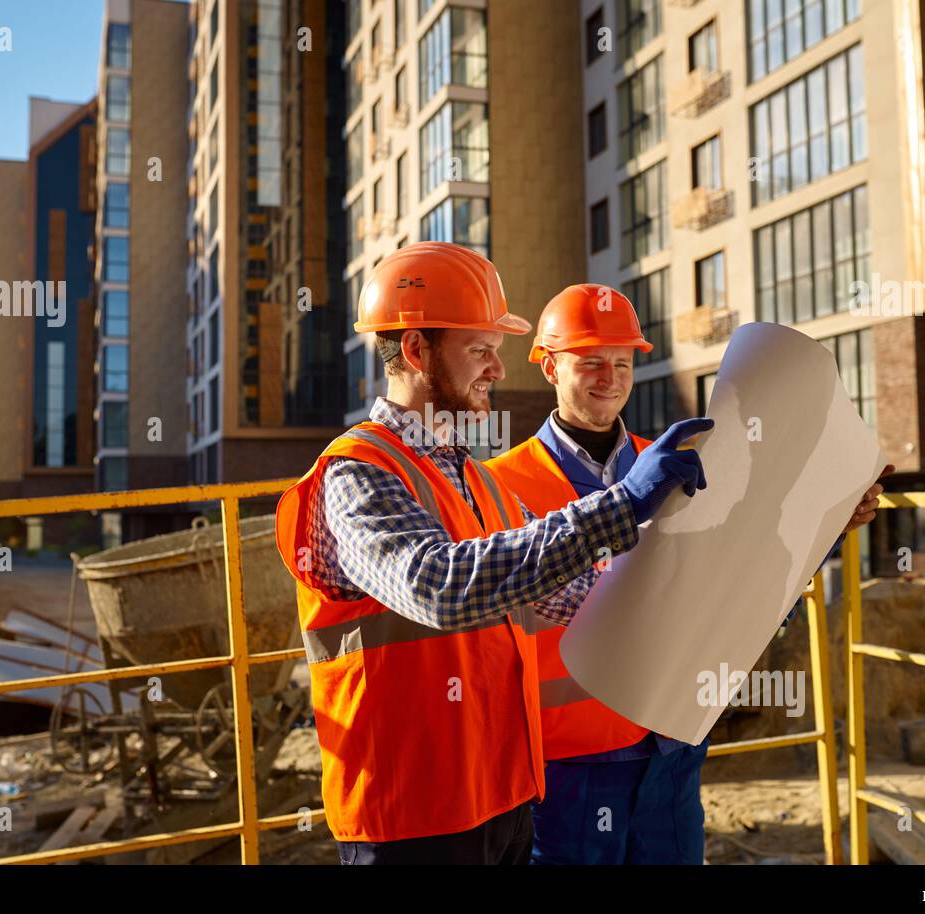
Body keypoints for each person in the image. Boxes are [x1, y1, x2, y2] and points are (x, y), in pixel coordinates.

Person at [273, 245, 711, 865]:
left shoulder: (476, 481)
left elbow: (583, 595)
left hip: (499, 800)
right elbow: (439, 587)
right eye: (480, 350)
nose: (498, 370)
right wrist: (622, 506)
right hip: (408, 815)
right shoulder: (358, 472)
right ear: (418, 350)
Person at [486, 283, 889, 864]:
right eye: (590, 361)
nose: (609, 377)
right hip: (569, 762)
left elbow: (742, 577)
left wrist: (824, 529)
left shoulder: (681, 462)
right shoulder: (501, 482)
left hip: (670, 752)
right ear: (548, 366)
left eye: (621, 363)